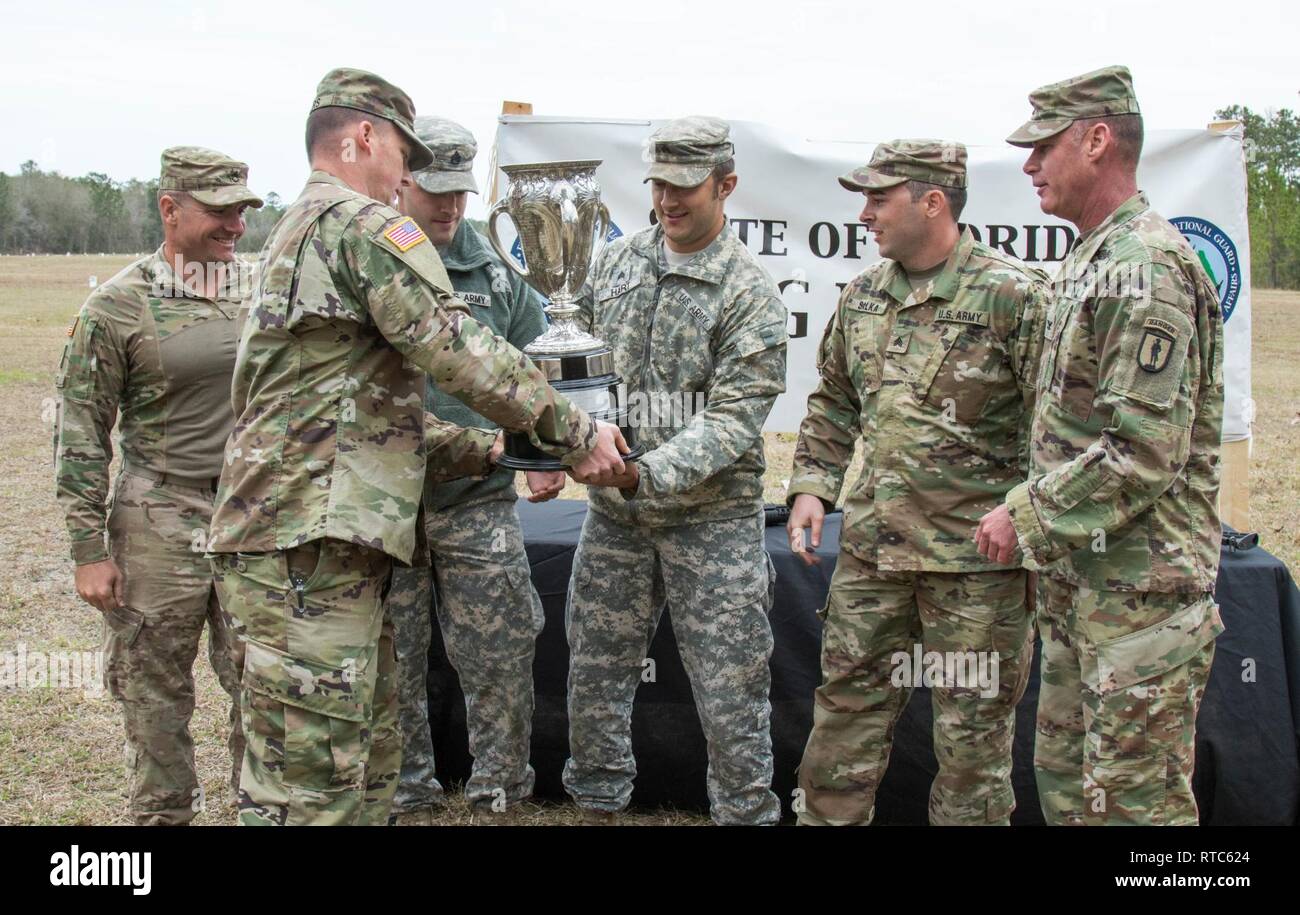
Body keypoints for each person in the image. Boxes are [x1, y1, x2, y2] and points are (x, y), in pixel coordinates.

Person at [206, 67, 627, 826]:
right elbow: (455, 344)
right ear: (363, 136)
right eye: (403, 152)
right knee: (311, 785)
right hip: (307, 545)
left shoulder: (298, 229)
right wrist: (574, 432)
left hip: (312, 539)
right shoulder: (359, 225)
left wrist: (495, 448)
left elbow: (360, 416)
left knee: (360, 765)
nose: (407, 174)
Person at [975, 65, 1225, 826]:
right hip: (1087, 591)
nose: (1027, 164)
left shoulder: (1144, 268)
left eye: (1042, 146)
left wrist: (1028, 513)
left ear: (1096, 139)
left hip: (1139, 600)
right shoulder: (1092, 259)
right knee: (1068, 789)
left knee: (1133, 810)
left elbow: (1142, 451)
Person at [786, 140, 1046, 825]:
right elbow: (834, 401)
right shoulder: (864, 297)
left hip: (977, 567)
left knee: (971, 743)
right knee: (845, 714)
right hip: (875, 554)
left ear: (933, 202)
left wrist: (1028, 515)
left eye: (879, 198)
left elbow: (1059, 428)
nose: (865, 214)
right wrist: (813, 486)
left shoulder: (1015, 297)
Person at [563, 116, 787, 826]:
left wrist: (640, 473)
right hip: (617, 520)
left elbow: (732, 421)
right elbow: (582, 370)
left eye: (684, 186)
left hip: (710, 521)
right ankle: (596, 802)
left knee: (730, 690)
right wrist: (562, 438)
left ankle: (744, 814)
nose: (667, 199)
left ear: (726, 185)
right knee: (595, 671)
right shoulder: (614, 262)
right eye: (657, 182)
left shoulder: (751, 294)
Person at [54, 146, 263, 825]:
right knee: (154, 698)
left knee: (262, 689)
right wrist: (89, 548)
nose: (235, 226)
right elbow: (81, 431)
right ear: (169, 209)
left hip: (249, 516)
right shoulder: (116, 306)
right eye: (220, 212)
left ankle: (260, 813)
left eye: (242, 212)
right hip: (158, 518)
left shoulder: (257, 290)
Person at [385, 115, 564, 820]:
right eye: (435, 190)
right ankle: (407, 789)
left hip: (478, 500)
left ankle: (502, 788)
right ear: (402, 181)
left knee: (499, 650)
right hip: (389, 503)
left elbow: (538, 366)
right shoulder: (375, 257)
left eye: (461, 191)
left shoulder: (496, 269)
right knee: (392, 659)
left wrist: (544, 452)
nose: (450, 206)